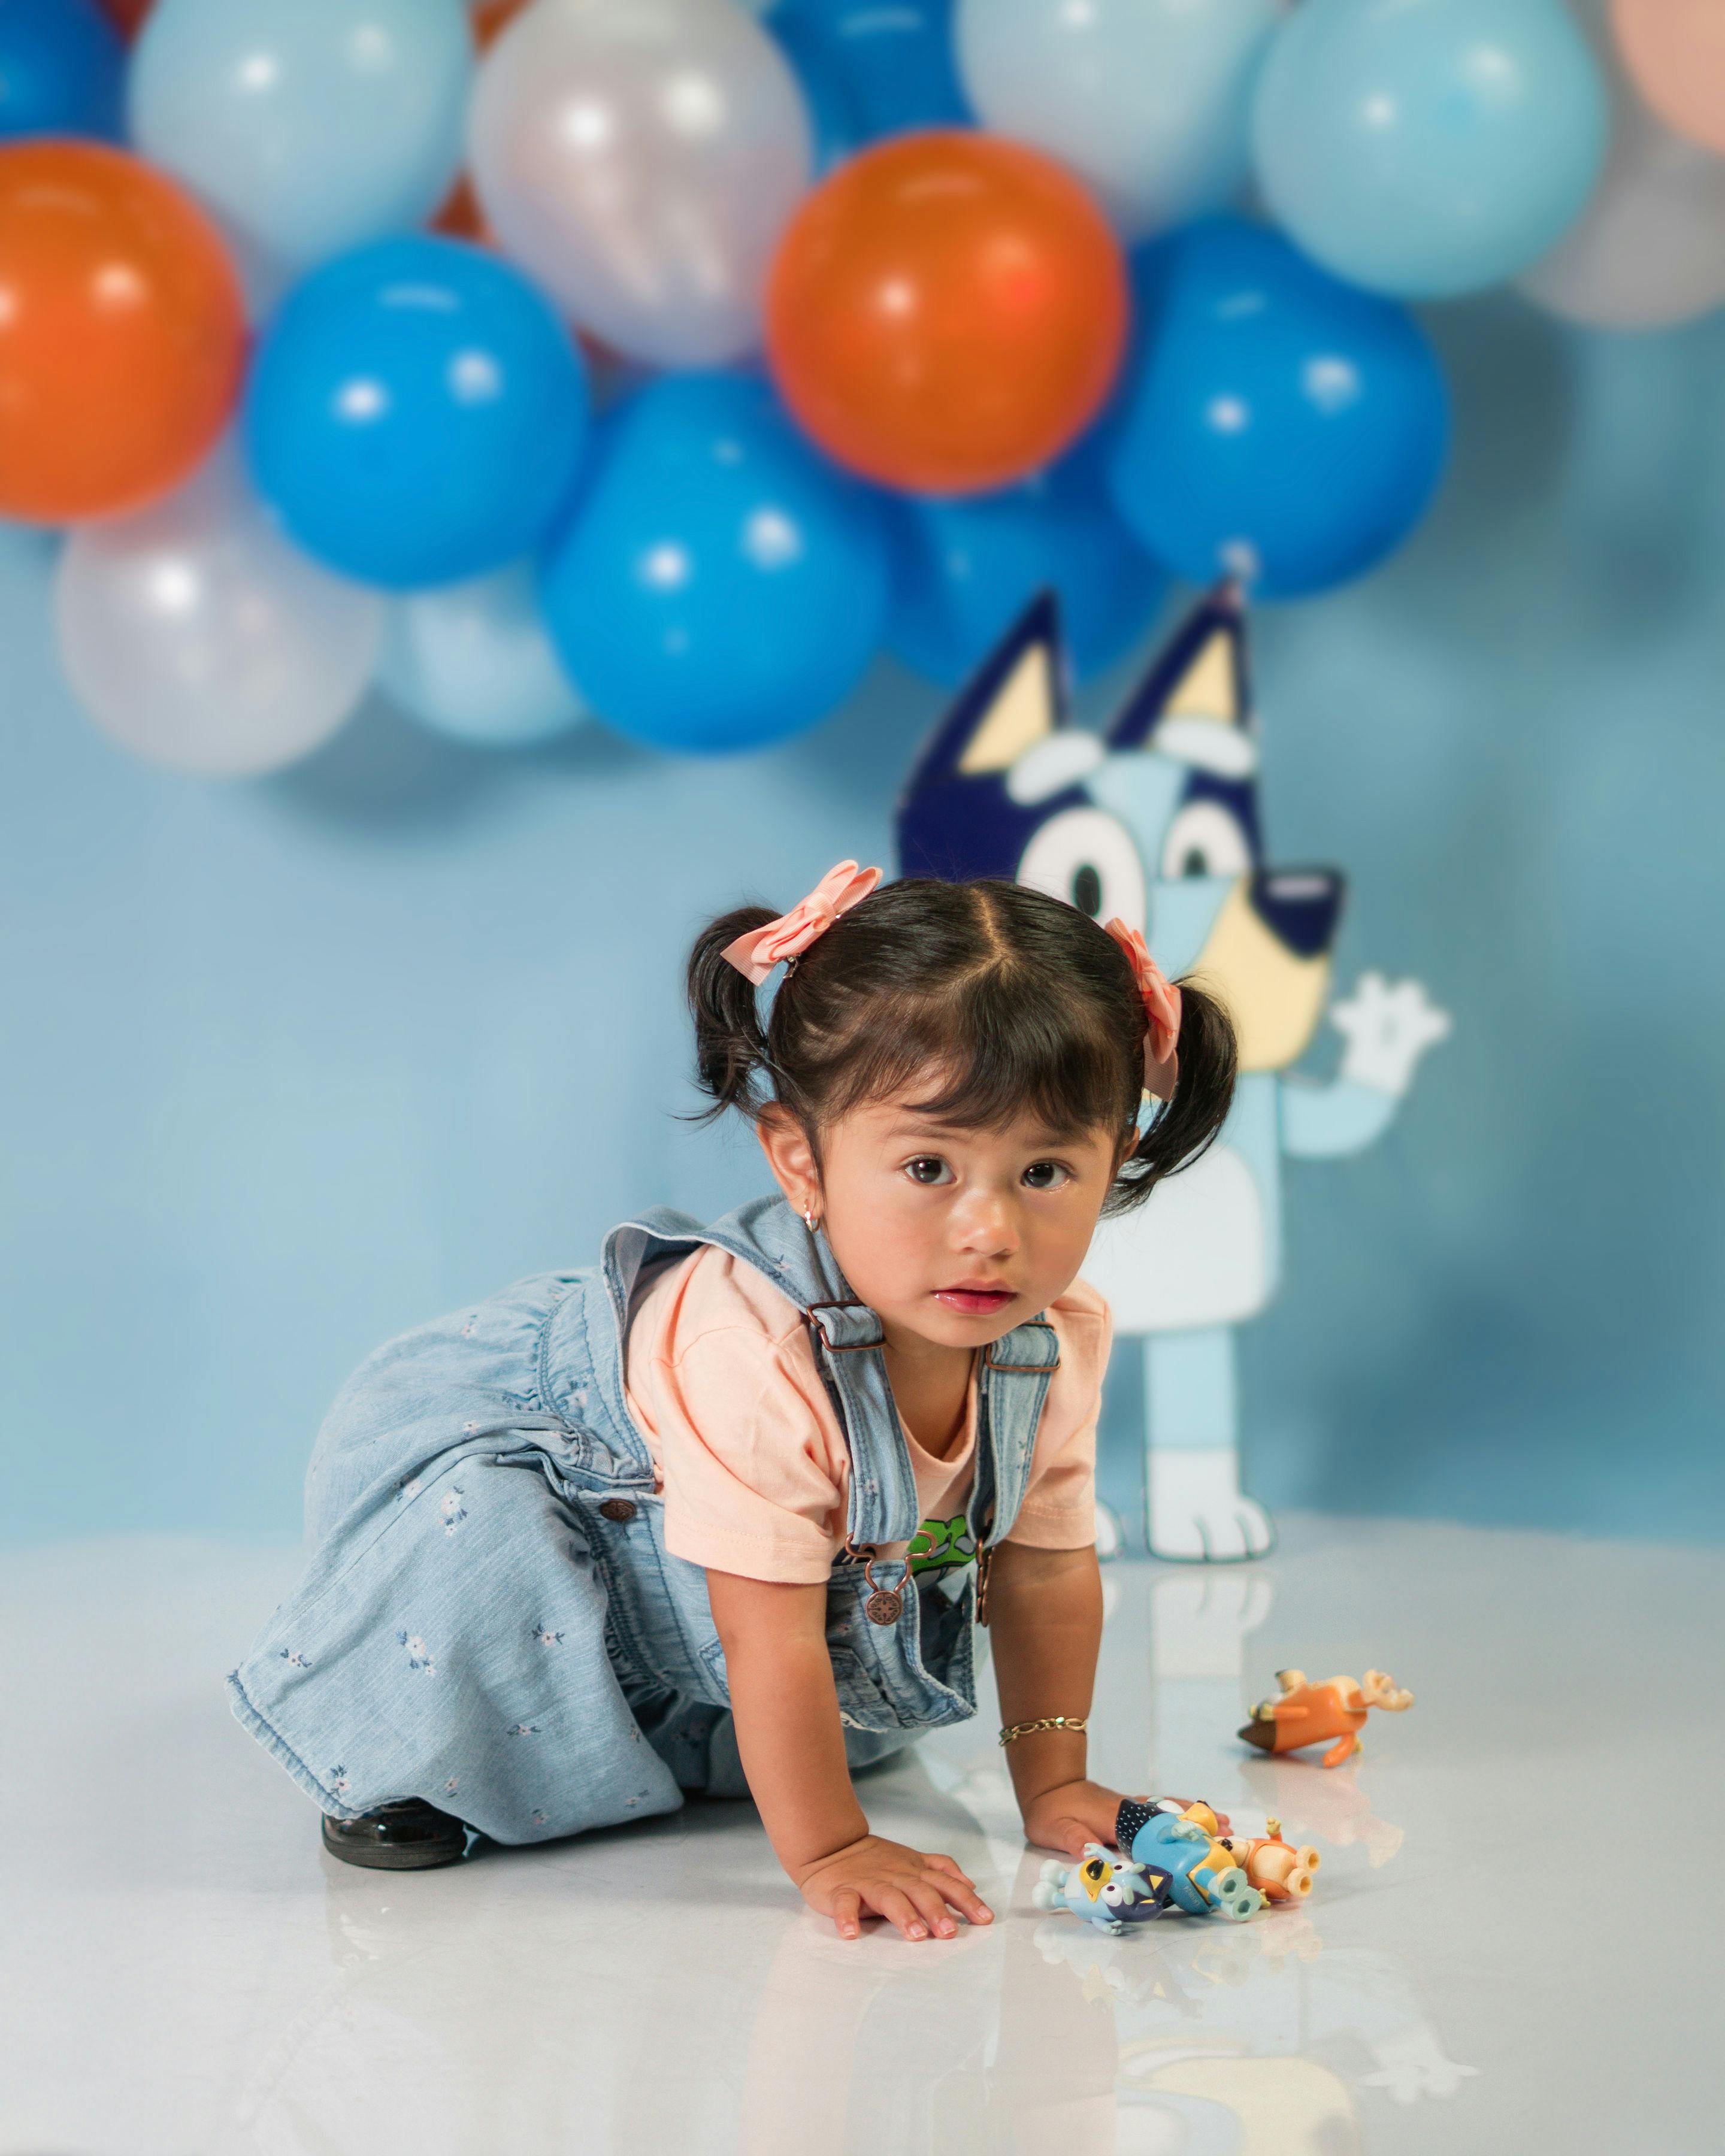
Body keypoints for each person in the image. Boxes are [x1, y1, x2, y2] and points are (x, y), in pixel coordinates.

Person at [228, 864, 1237, 1942]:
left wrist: (1054, 1782)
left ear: (1115, 1159)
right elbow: (766, 1636)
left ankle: (675, 1736)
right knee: (497, 1561)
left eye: (1045, 1173)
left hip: (744, 1596)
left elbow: (1042, 1566)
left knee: (824, 1653)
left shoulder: (1054, 1335)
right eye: (929, 1165)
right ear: (801, 1161)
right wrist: (832, 1846)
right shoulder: (755, 1345)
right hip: (562, 1497)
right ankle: (421, 1762)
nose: (989, 1231)